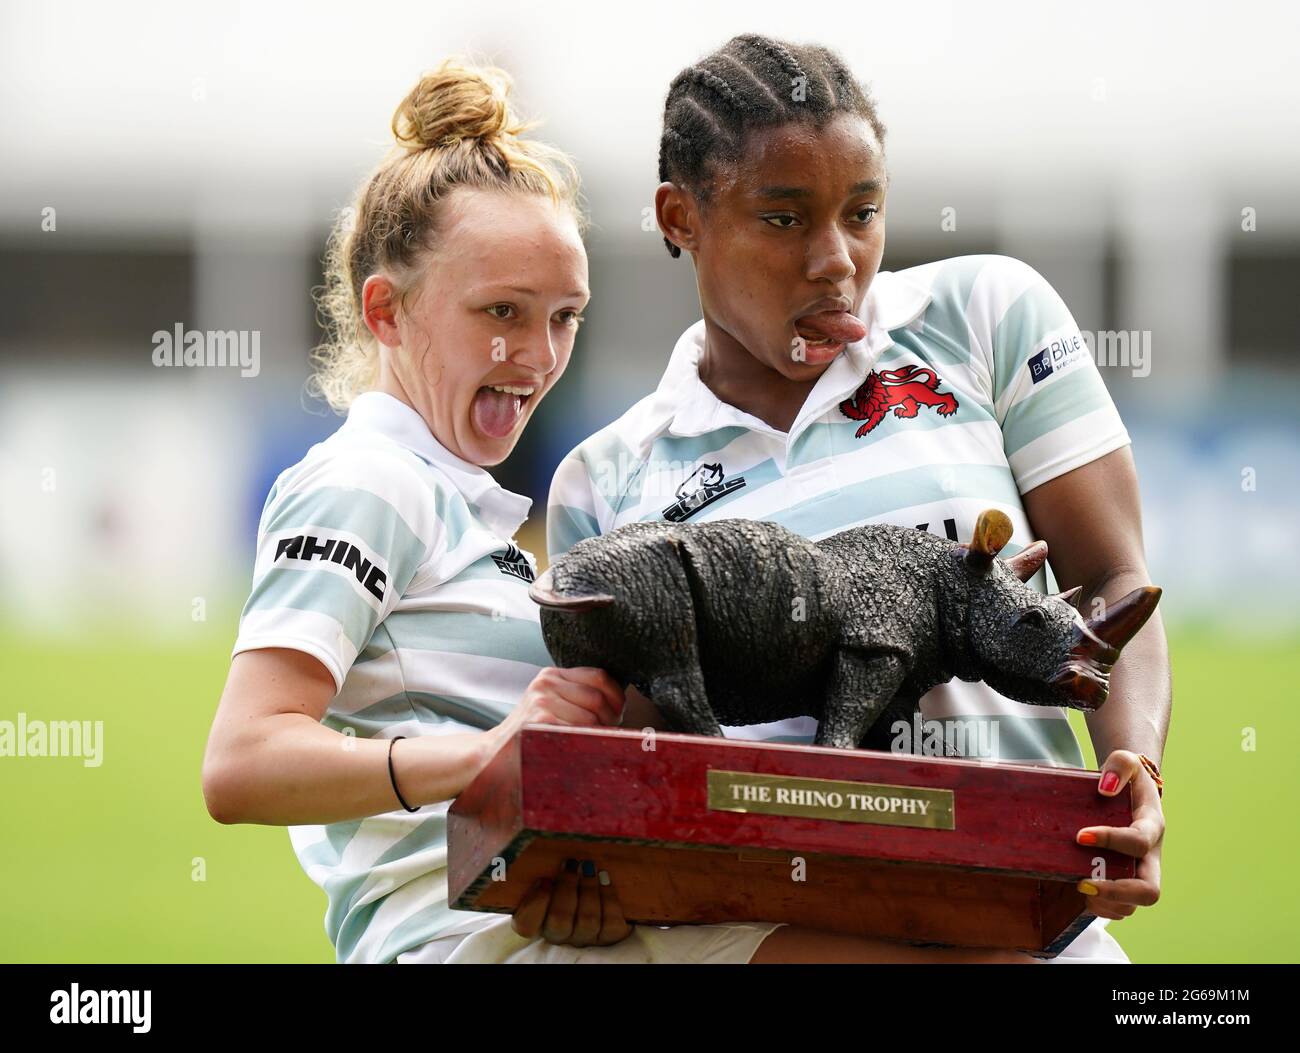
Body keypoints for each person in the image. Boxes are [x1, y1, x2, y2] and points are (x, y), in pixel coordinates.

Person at [545, 34, 1170, 964]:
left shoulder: (986, 315)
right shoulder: (606, 481)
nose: (836, 260)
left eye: (864, 212)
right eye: (785, 218)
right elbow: (635, 770)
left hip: (1039, 929)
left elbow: (1113, 581)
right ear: (681, 218)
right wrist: (583, 877)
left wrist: (1135, 770)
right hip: (808, 944)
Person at [202, 59, 651, 964]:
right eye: (502, 311)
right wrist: (492, 756)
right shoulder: (371, 481)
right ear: (387, 311)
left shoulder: (465, 507)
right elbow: (241, 760)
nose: (536, 353)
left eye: (565, 316)